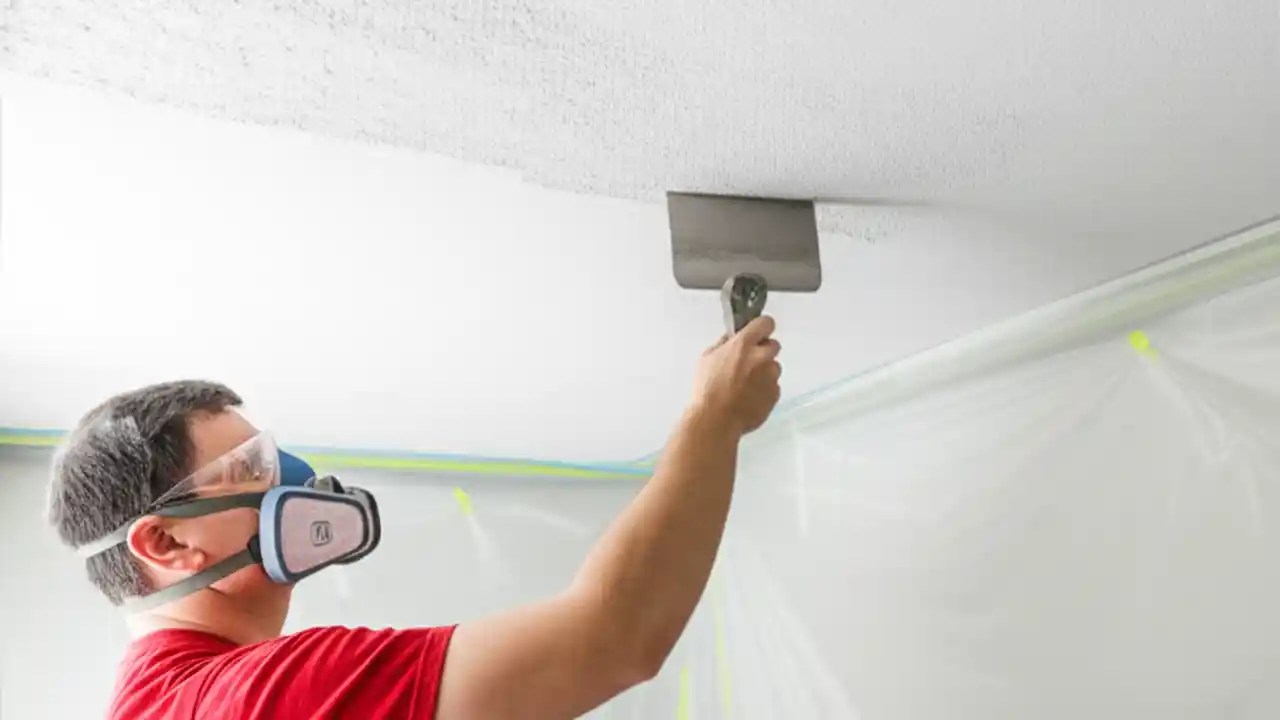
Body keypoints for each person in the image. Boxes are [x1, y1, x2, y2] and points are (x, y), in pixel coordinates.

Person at [47, 316, 782, 719]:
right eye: (249, 472)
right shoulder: (266, 697)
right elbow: (614, 637)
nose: (293, 484)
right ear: (167, 541)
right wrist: (713, 420)